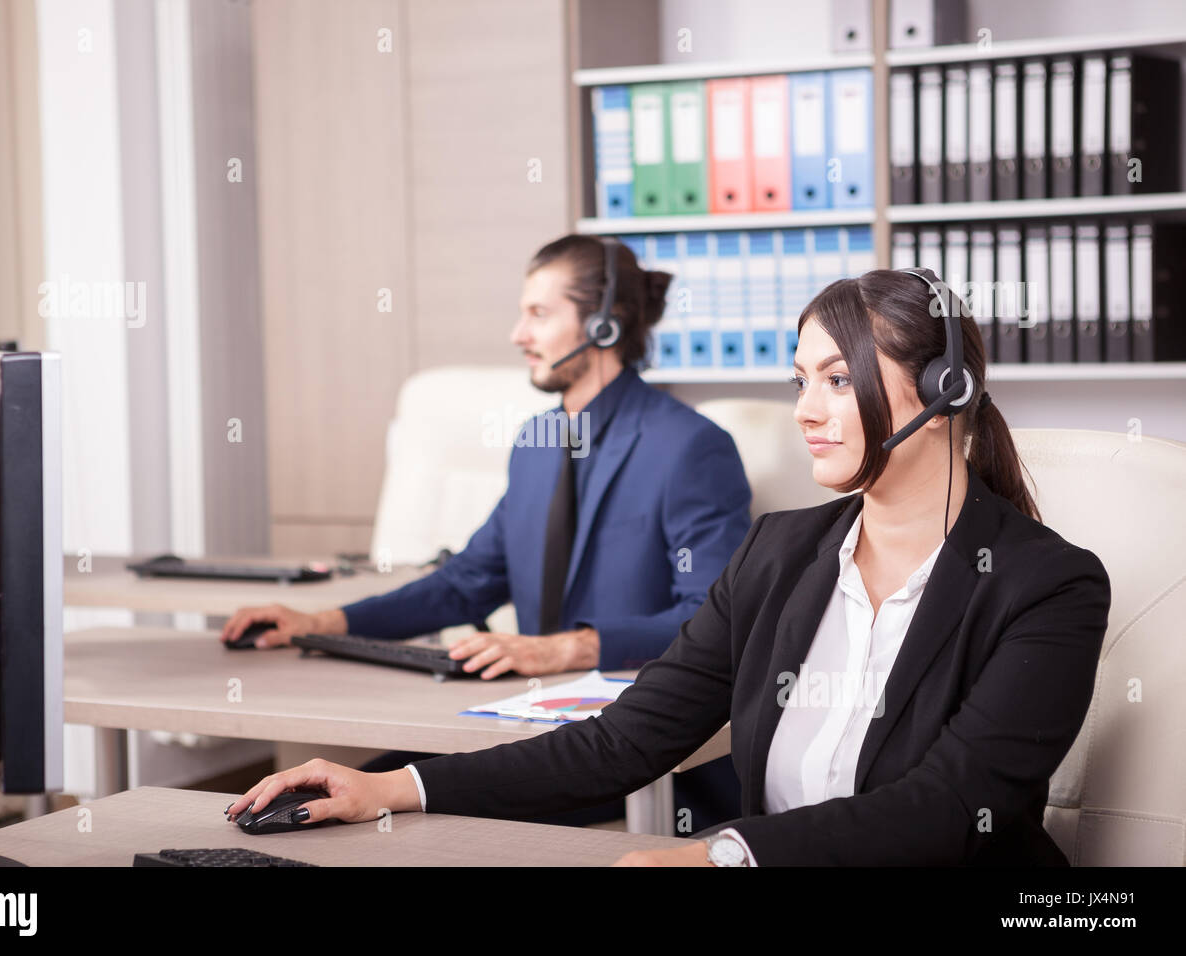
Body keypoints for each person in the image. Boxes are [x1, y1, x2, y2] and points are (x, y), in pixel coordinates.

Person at [227, 267, 1113, 866]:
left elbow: (953, 806)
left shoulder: (1048, 585)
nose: (805, 409)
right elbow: (625, 740)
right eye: (799, 379)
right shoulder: (782, 553)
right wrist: (389, 786)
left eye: (838, 381)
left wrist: (722, 852)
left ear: (947, 391)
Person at [222, 234, 753, 833]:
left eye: (539, 314)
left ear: (605, 324)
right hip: (532, 725)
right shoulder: (536, 442)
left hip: (640, 749)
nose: (517, 334)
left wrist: (562, 647)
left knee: (387, 816)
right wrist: (322, 624)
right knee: (341, 804)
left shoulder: (689, 447)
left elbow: (712, 622)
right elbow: (468, 581)